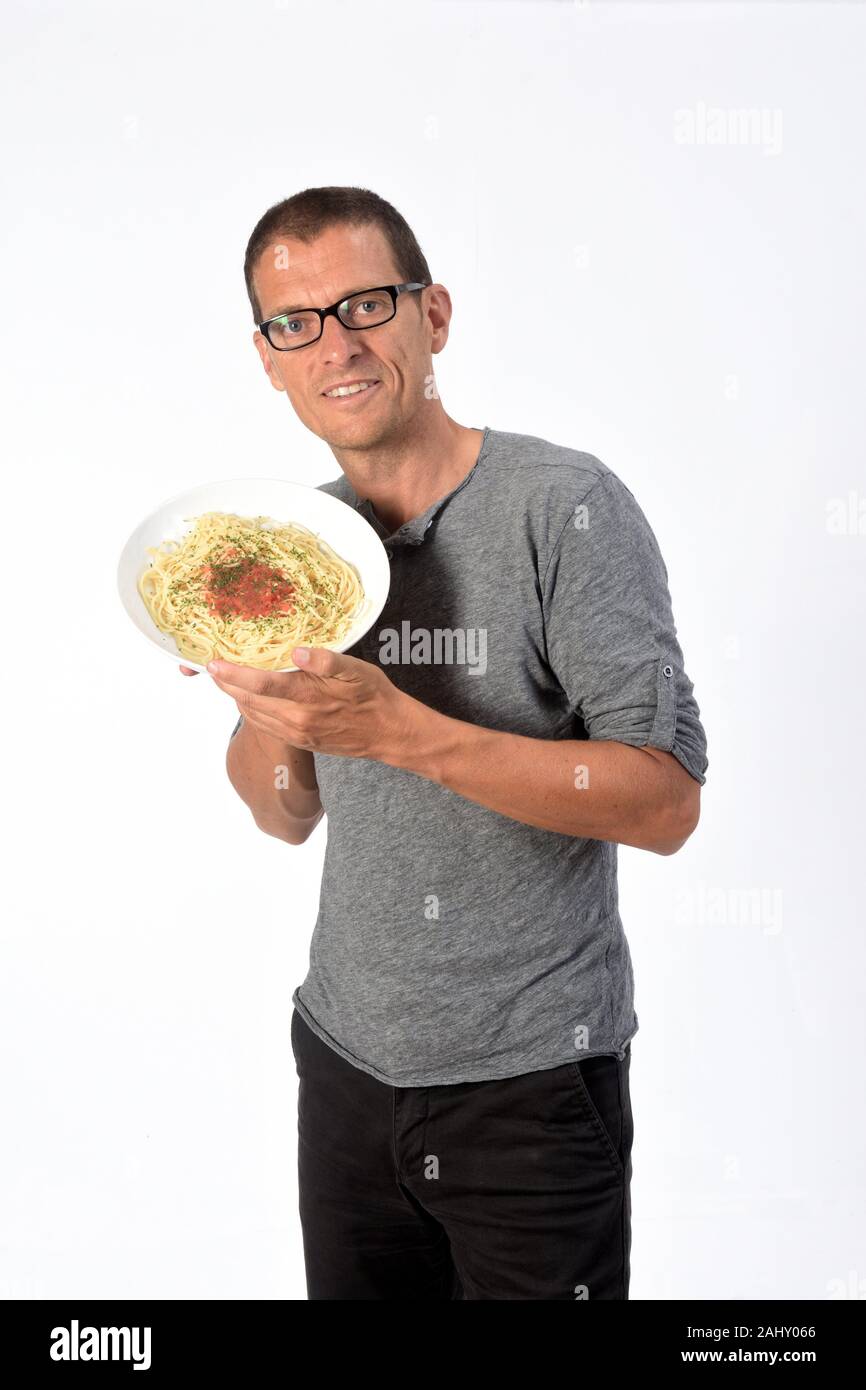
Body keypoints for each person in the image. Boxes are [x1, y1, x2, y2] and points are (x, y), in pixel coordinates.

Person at [181, 186, 708, 1300]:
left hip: (530, 1084)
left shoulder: (562, 505)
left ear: (435, 317)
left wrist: (408, 734)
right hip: (342, 1064)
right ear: (270, 361)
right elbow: (283, 813)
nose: (337, 343)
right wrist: (268, 708)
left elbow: (663, 802)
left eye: (365, 304)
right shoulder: (303, 546)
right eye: (296, 323)